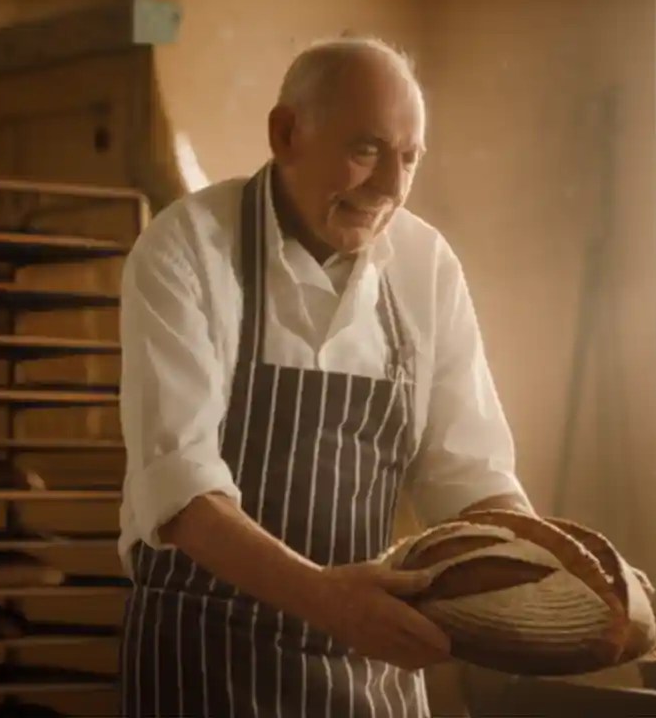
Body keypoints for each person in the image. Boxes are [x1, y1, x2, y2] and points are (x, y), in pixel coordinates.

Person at [117, 35, 536, 718]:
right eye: (366, 150)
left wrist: (558, 575)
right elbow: (181, 489)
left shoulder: (426, 267)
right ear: (286, 133)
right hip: (203, 666)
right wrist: (327, 601)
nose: (391, 188)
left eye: (409, 159)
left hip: (371, 673)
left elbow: (469, 476)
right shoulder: (186, 247)